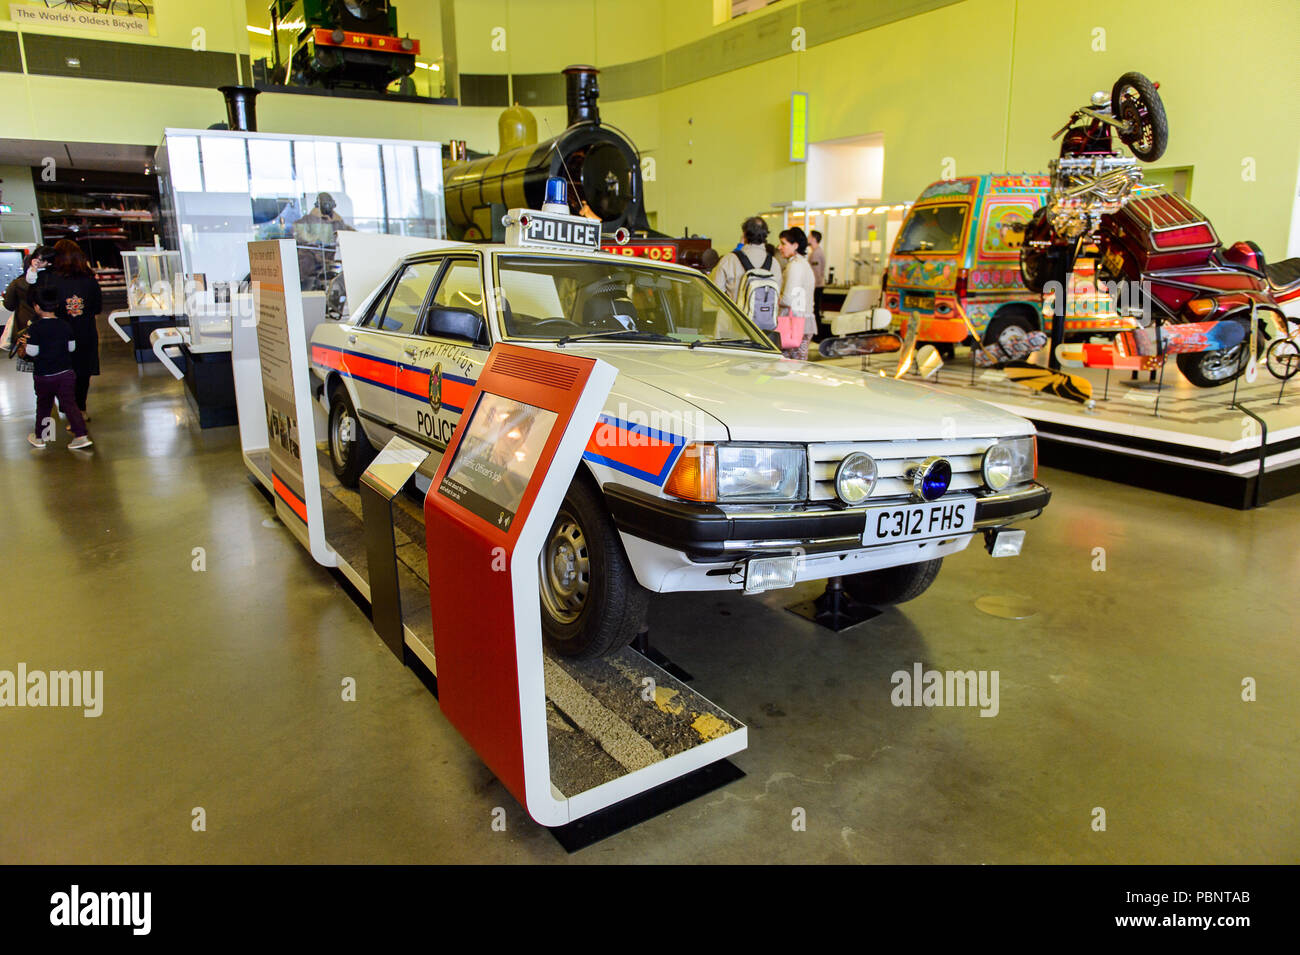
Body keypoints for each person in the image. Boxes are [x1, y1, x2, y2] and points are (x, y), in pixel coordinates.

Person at [38, 239, 101, 421]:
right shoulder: (89, 279)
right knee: (82, 372)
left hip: (56, 335)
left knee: (61, 373)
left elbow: (38, 303)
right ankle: (80, 408)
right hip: (85, 333)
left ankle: (68, 408)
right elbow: (97, 308)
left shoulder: (49, 279)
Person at [24, 284, 91, 450]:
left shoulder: (35, 328)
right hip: (66, 373)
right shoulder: (65, 325)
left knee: (44, 405)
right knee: (70, 404)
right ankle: (81, 435)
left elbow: (32, 352)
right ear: (56, 305)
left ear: (37, 307)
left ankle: (42, 436)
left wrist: (26, 344)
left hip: (44, 375)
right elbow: (71, 348)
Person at [711, 216, 782, 344]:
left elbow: (713, 298)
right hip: (762, 329)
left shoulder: (729, 260)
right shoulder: (774, 263)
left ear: (744, 234)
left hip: (731, 327)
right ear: (766, 235)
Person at [2, 246, 53, 352]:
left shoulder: (17, 283)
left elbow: (9, 305)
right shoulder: (51, 279)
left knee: (28, 353)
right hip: (48, 321)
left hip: (24, 323)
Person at [777, 226, 816, 360]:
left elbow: (788, 299)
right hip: (803, 322)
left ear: (795, 245)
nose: (779, 247)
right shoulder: (803, 263)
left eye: (783, 243)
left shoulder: (795, 266)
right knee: (799, 364)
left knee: (788, 366)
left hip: (793, 324)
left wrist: (776, 299)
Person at [808, 230, 826, 327]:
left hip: (817, 286)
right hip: (818, 285)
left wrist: (812, 286)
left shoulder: (816, 254)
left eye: (809, 236)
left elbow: (816, 273)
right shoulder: (816, 252)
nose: (807, 238)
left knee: (815, 310)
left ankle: (817, 333)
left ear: (813, 239)